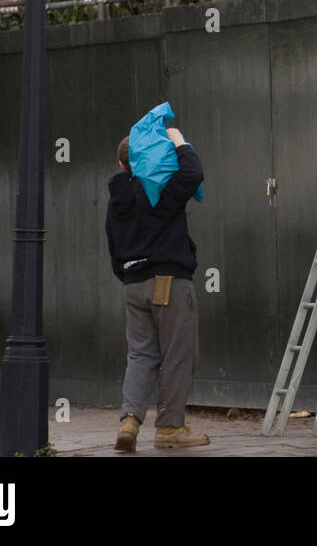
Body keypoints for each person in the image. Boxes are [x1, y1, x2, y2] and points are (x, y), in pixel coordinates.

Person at [105, 128, 209, 452]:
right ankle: (169, 428)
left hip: (134, 285)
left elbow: (113, 247)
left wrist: (130, 277)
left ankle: (130, 421)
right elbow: (193, 173)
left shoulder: (116, 201)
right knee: (178, 355)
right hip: (169, 281)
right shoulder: (159, 189)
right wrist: (179, 141)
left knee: (140, 354)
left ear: (122, 165)